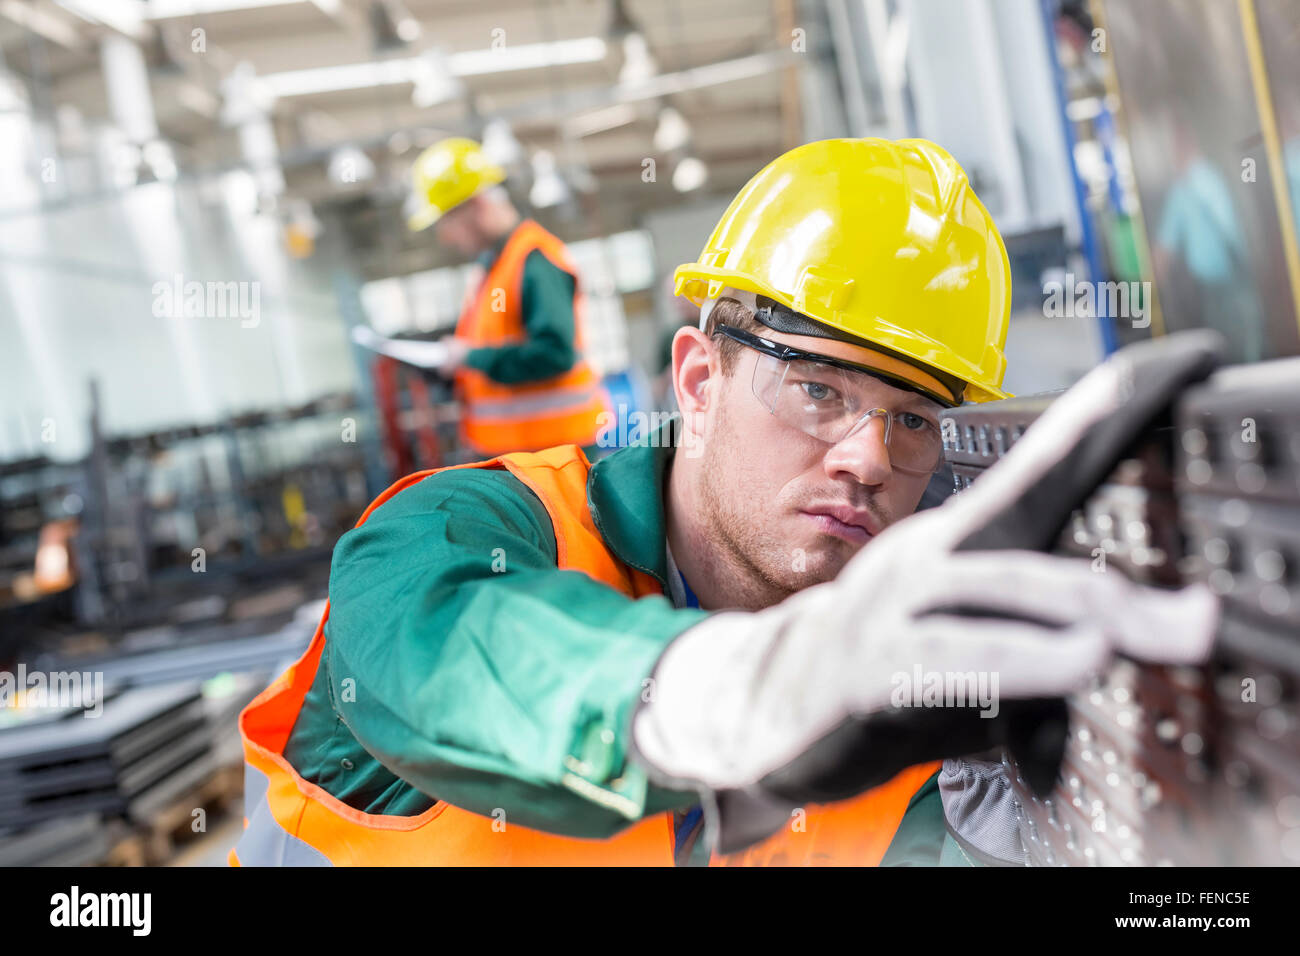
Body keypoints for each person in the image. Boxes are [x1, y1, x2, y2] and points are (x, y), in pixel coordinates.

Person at [231, 138, 1216, 866]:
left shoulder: (889, 694)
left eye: (914, 419)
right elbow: (459, 658)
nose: (869, 457)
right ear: (697, 381)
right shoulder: (462, 536)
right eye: (820, 390)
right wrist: (739, 694)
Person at [408, 137, 609, 456]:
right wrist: (454, 366)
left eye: (447, 221)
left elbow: (554, 353)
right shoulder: (491, 267)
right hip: (517, 455)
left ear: (477, 205)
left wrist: (469, 358)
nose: (445, 237)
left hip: (554, 456)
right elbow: (494, 349)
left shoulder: (535, 261)